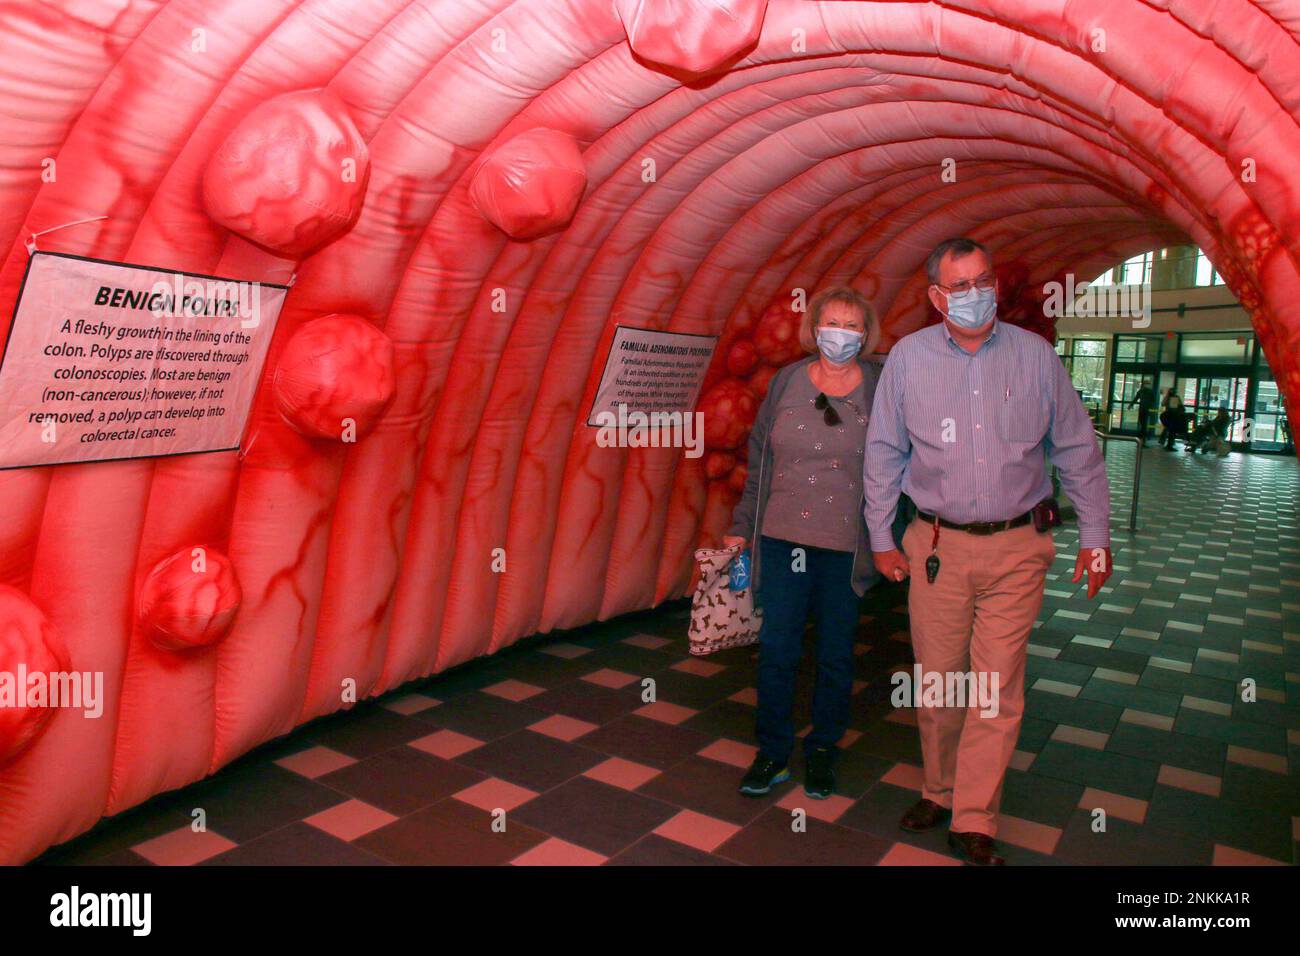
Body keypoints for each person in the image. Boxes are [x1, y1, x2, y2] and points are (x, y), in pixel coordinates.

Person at [863, 237, 1113, 866]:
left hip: (1018, 548)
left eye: (984, 282)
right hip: (935, 545)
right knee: (939, 682)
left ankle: (974, 816)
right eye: (960, 286)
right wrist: (881, 538)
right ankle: (940, 790)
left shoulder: (1035, 359)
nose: (975, 296)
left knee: (997, 688)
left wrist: (1096, 538)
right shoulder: (909, 361)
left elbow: (1077, 451)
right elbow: (884, 453)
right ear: (935, 296)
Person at [723, 286, 883, 801]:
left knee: (836, 655)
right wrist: (742, 524)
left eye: (853, 325)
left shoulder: (880, 386)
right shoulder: (787, 380)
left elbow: (897, 466)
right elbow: (760, 459)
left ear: (866, 334)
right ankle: (771, 753)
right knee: (777, 650)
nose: (841, 333)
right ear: (814, 329)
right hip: (780, 536)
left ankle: (822, 751)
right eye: (832, 323)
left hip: (844, 547)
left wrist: (892, 538)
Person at [1132, 378, 1156, 445]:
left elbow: (1153, 401)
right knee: (1143, 426)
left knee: (1143, 426)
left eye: (1148, 383)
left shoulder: (1148, 392)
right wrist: (1131, 405)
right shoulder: (1142, 391)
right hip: (1143, 410)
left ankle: (1141, 440)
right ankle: (1141, 440)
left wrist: (1151, 408)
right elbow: (1136, 399)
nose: (1147, 385)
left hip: (1145, 410)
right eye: (1146, 383)